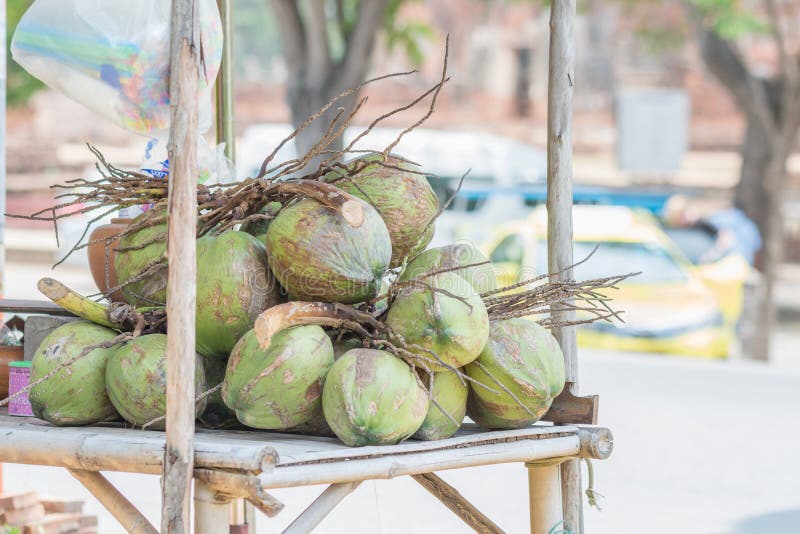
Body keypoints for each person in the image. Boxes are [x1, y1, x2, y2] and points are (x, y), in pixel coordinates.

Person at [662, 195, 762, 266]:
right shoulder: (747, 225)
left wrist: (713, 254)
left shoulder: (715, 222)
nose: (685, 220)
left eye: (683, 215)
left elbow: (725, 241)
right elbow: (756, 252)